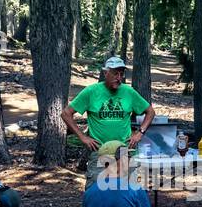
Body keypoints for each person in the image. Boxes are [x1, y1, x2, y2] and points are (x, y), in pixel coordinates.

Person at [63, 56, 155, 185]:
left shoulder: (128, 92)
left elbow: (150, 112)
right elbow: (66, 113)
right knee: (96, 189)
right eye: (115, 73)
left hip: (125, 149)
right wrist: (83, 137)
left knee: (128, 189)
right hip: (99, 149)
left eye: (121, 74)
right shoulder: (91, 92)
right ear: (105, 73)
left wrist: (140, 132)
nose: (119, 77)